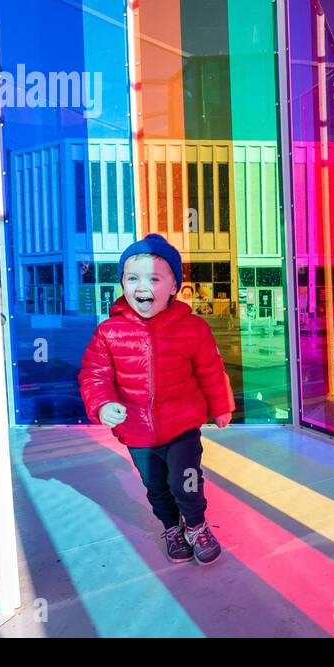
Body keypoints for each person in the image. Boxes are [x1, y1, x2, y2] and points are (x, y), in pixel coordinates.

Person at [78, 234, 235, 565]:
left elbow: (210, 370)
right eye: (132, 277)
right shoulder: (109, 332)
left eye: (153, 278)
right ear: (122, 282)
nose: (141, 286)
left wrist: (220, 407)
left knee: (185, 480)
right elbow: (96, 375)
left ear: (174, 286)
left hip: (182, 425)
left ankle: (196, 525)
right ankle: (171, 528)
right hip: (137, 431)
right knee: (156, 486)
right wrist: (103, 404)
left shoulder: (193, 328)